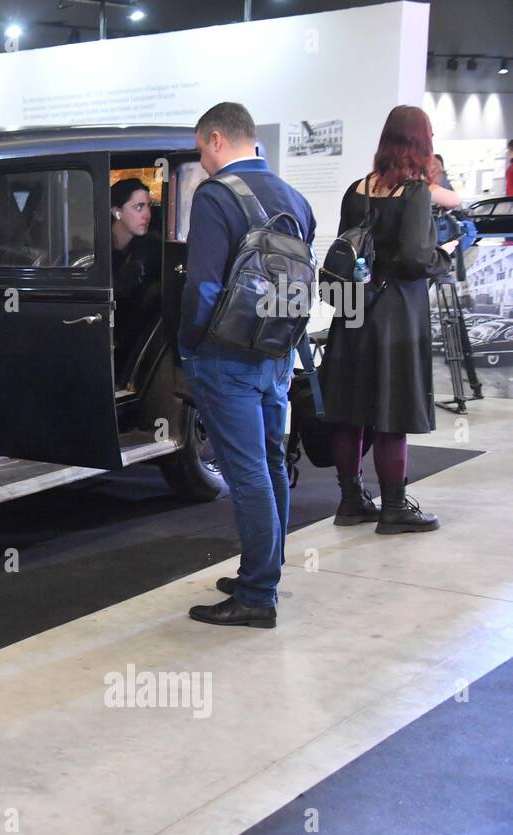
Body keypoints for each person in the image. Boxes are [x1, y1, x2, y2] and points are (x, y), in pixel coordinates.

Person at [180, 102, 315, 629]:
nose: (203, 163)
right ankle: (266, 568)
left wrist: (191, 344)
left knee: (247, 474)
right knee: (272, 463)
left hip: (224, 355)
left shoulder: (216, 197)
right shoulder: (293, 197)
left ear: (216, 139)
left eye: (200, 152)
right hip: (276, 354)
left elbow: (204, 285)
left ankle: (258, 595)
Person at [319, 105, 458, 534]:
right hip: (396, 316)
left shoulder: (356, 190)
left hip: (353, 311)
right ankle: (394, 507)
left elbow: (347, 252)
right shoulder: (415, 193)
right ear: (421, 142)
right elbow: (416, 257)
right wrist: (445, 257)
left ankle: (351, 501)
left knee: (352, 410)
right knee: (391, 412)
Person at [110, 178, 162, 378]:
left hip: (132, 338)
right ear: (117, 212)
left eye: (148, 206)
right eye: (138, 207)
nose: (147, 214)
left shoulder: (149, 246)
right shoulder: (100, 244)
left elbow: (123, 287)